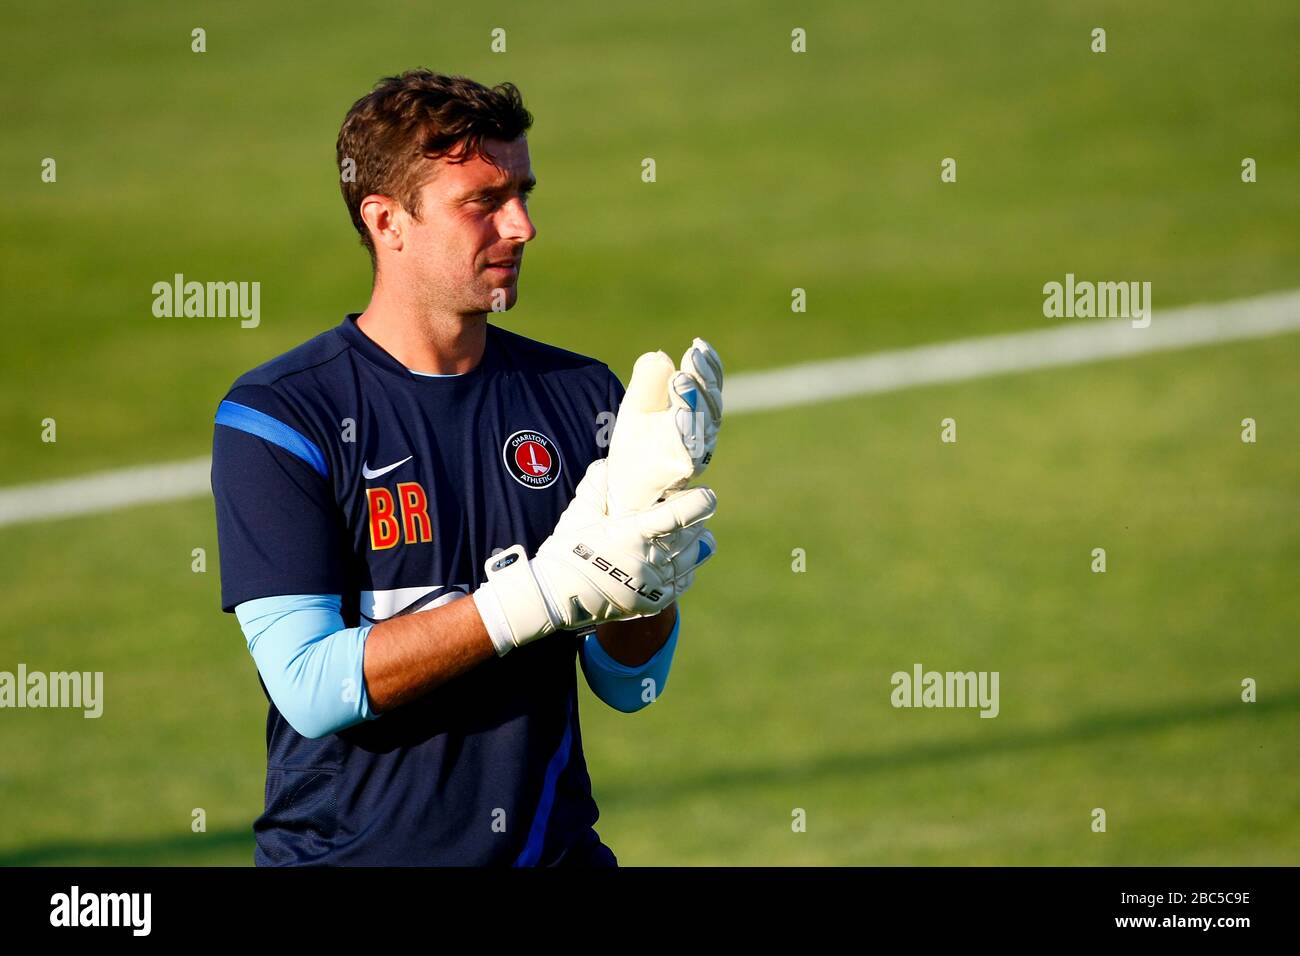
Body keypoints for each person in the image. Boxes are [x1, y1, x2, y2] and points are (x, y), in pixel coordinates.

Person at [210, 69, 723, 866]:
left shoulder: (581, 395)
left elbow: (631, 685)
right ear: (387, 221)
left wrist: (647, 572)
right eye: (483, 202)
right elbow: (311, 687)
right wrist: (541, 594)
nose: (521, 226)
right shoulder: (280, 419)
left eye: (522, 192)